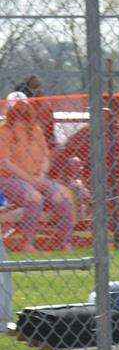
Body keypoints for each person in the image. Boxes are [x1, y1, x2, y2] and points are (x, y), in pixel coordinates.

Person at [0, 92, 76, 248]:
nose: (20, 110)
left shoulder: (36, 130)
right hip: (8, 179)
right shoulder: (3, 131)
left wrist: (40, 176)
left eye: (23, 106)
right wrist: (31, 180)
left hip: (36, 177)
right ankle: (27, 243)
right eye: (16, 107)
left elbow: (46, 157)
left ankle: (66, 242)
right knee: (34, 197)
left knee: (61, 197)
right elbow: (5, 163)